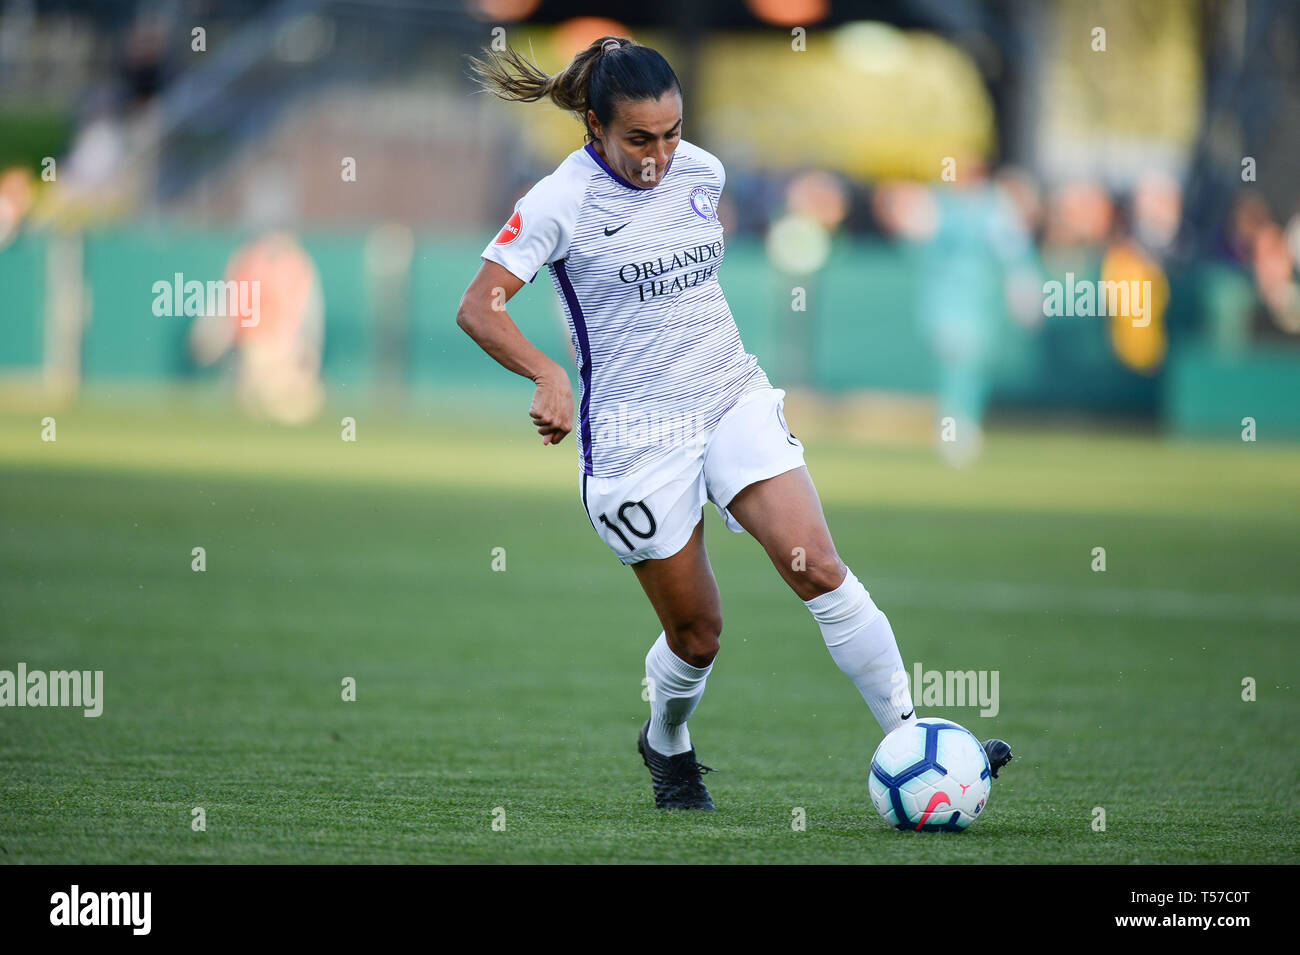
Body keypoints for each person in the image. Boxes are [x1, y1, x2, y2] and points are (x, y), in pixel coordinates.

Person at [457, 36, 1012, 810]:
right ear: (594, 125)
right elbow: (477, 307)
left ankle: (913, 736)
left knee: (816, 564)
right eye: (638, 139)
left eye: (671, 132)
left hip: (728, 397)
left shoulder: (703, 171)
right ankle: (667, 740)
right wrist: (549, 374)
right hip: (635, 438)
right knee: (698, 635)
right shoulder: (559, 201)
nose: (659, 155)